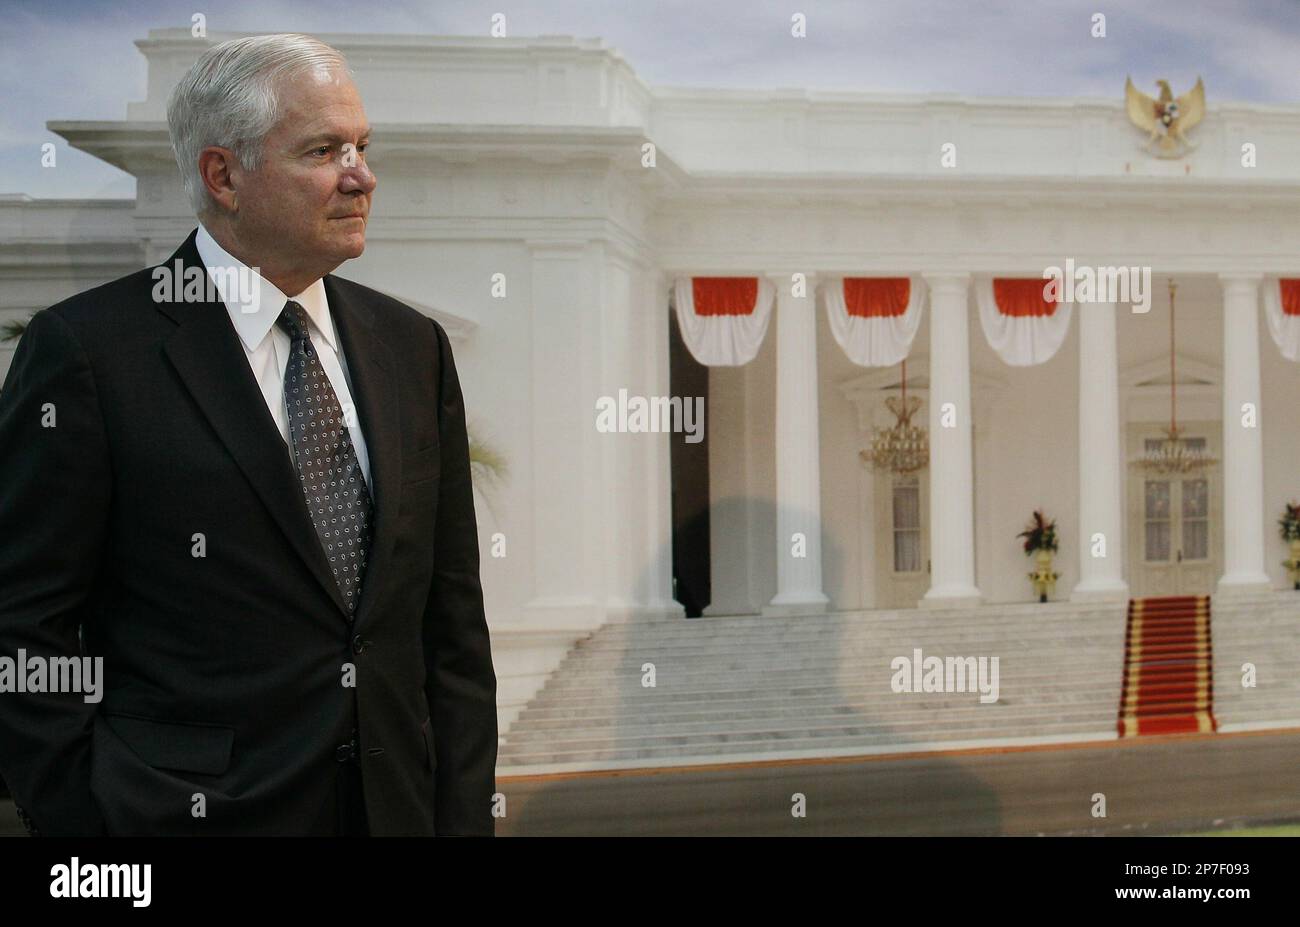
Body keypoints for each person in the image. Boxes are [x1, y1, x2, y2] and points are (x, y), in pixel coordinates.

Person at [0, 33, 497, 836]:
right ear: (223, 175)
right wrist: (93, 822)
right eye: (323, 149)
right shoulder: (89, 353)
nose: (361, 174)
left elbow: (452, 628)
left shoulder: (413, 348)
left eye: (362, 146)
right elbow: (22, 628)